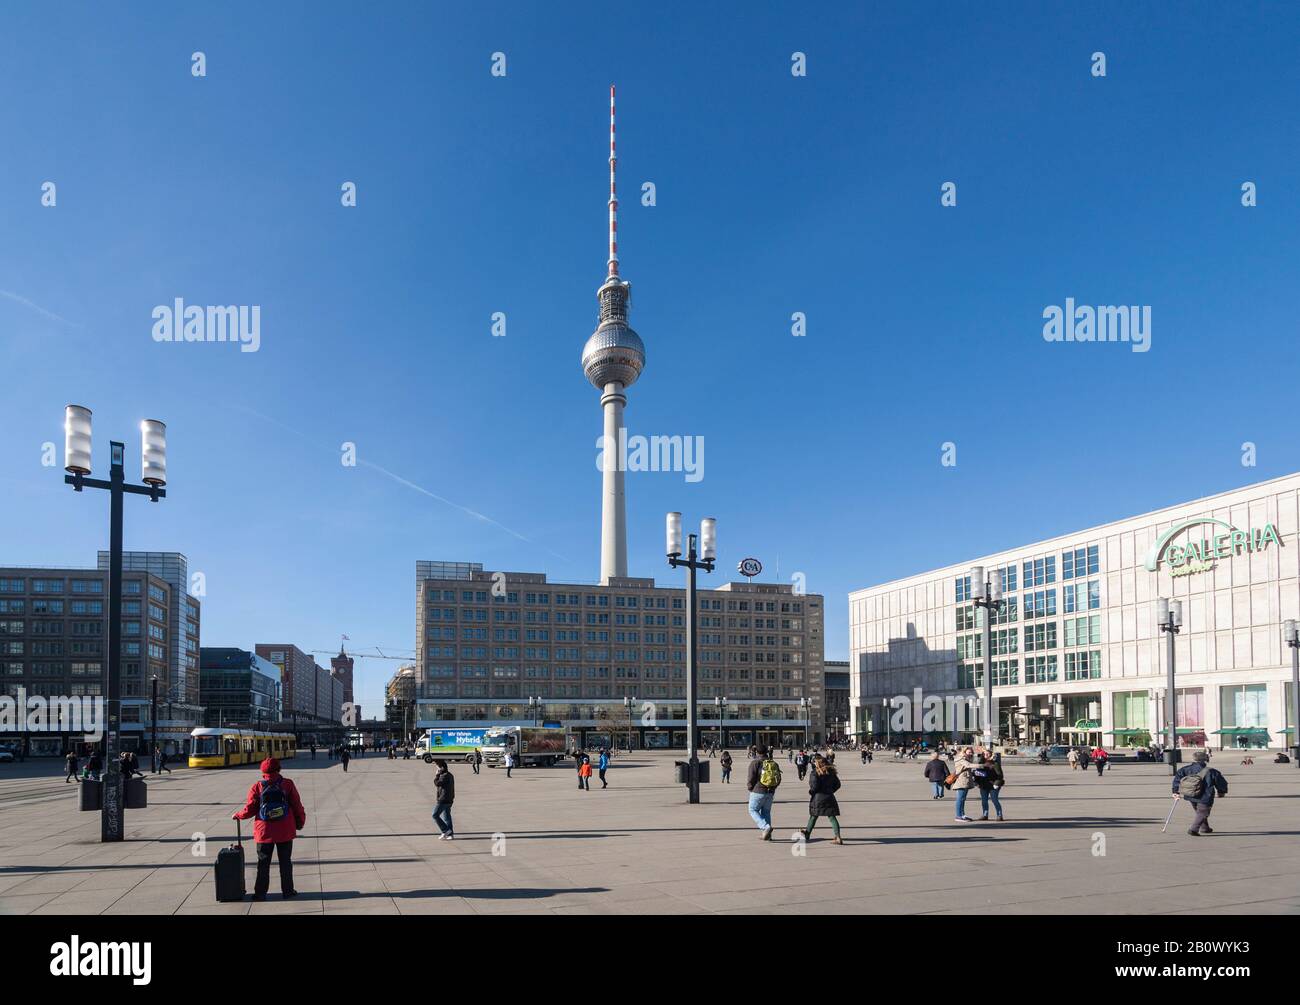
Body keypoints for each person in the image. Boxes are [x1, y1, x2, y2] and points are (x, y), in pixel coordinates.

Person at [232, 757, 307, 901]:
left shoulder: (257, 787)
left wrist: (238, 815)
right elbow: (297, 806)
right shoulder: (287, 784)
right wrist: (300, 822)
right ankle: (288, 891)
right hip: (285, 830)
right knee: (285, 862)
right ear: (279, 769)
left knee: (263, 863)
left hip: (264, 831)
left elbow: (250, 809)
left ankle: (260, 894)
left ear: (262, 771)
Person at [1173, 750, 1228, 836]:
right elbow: (1220, 782)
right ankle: (1193, 829)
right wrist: (1221, 791)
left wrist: (1175, 791)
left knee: (1200, 812)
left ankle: (1205, 828)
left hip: (1190, 794)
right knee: (1203, 812)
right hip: (1205, 795)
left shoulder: (1184, 769)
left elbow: (1177, 780)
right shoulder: (1211, 771)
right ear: (1205, 759)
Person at [804, 754, 843, 844]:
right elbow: (838, 785)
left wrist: (811, 792)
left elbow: (814, 787)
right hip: (829, 796)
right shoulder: (831, 772)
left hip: (818, 798)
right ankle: (838, 837)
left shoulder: (815, 772)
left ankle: (807, 834)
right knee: (832, 817)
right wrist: (830, 791)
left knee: (813, 816)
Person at [746, 745, 781, 840]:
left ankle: (765, 827)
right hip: (770, 792)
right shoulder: (773, 763)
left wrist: (750, 788)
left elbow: (750, 778)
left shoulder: (755, 762)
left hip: (758, 790)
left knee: (752, 810)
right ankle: (768, 835)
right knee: (766, 812)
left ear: (756, 752)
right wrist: (773, 788)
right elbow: (778, 778)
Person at [975, 751, 1005, 821]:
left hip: (993, 785)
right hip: (983, 785)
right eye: (984, 754)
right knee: (984, 801)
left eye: (987, 754)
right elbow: (977, 774)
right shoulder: (980, 763)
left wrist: (996, 784)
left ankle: (999, 815)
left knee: (994, 800)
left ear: (991, 755)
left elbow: (1000, 775)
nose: (986, 755)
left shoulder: (995, 763)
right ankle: (985, 815)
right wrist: (976, 782)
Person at [950, 747, 977, 822]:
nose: (971, 753)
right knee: (960, 799)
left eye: (971, 752)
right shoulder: (961, 759)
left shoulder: (967, 758)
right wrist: (983, 765)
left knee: (962, 799)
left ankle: (962, 815)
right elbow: (968, 765)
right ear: (964, 752)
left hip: (965, 781)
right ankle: (958, 816)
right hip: (961, 781)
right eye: (969, 752)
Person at [432, 759, 455, 840]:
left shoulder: (444, 776)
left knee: (435, 815)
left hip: (443, 799)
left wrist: (437, 775)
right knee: (447, 817)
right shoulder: (450, 775)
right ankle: (450, 834)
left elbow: (437, 783)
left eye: (437, 768)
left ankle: (445, 830)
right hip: (449, 799)